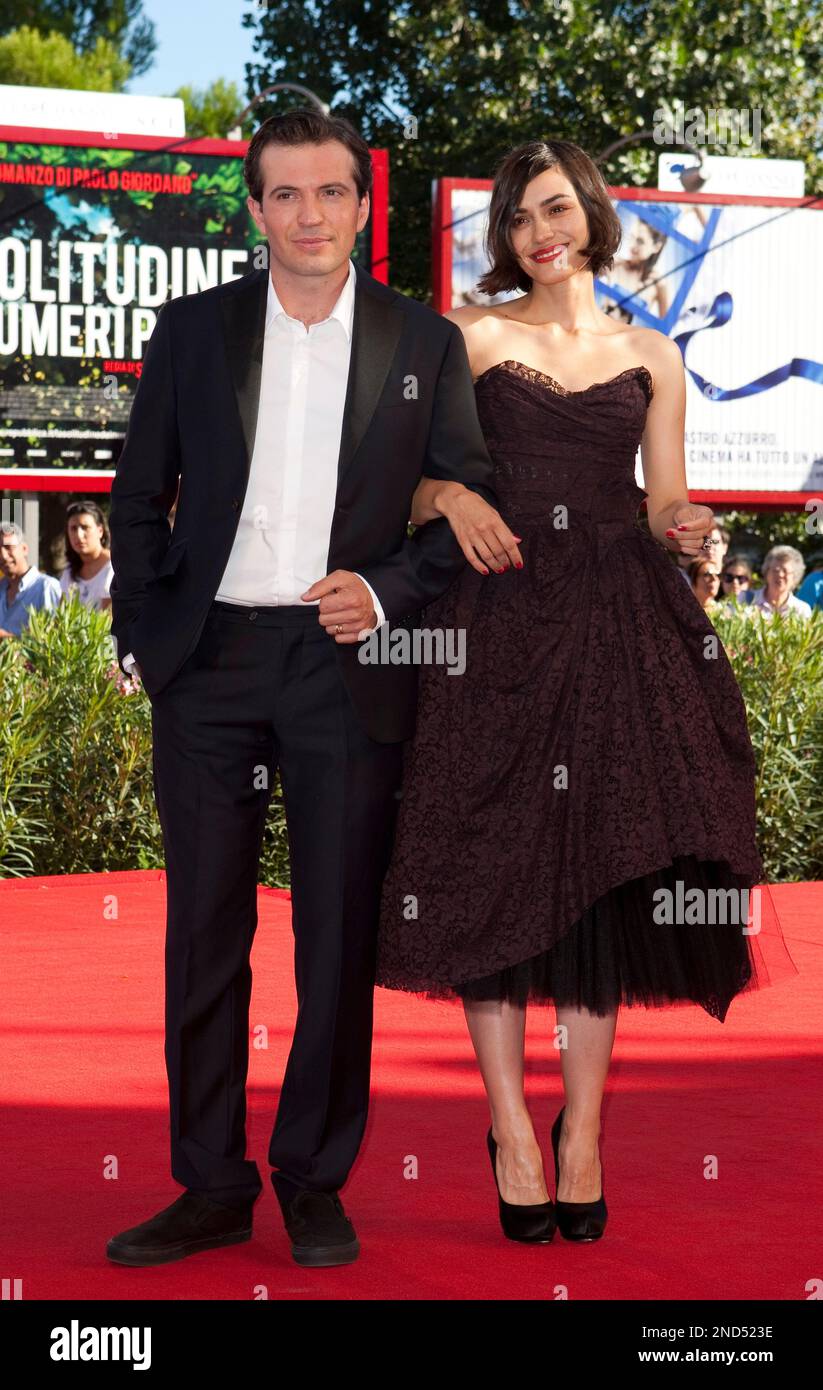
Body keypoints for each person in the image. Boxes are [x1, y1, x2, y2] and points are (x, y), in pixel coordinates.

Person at [375, 139, 796, 1246]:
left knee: (603, 872)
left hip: (616, 626)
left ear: (593, 216)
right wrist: (441, 498)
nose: (536, 232)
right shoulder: (469, 335)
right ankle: (512, 1128)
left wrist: (684, 524)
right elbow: (396, 472)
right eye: (517, 218)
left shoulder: (653, 353)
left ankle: (583, 1133)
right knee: (483, 867)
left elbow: (662, 497)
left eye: (553, 208)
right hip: (496, 622)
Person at [105, 108, 497, 1270]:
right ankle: (211, 1182)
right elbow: (137, 497)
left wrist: (381, 592)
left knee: (335, 932)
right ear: (256, 206)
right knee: (204, 933)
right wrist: (145, 634)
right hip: (209, 664)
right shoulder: (193, 332)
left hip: (346, 668)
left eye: (330, 192)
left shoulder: (424, 345)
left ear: (363, 206)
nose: (310, 215)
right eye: (285, 194)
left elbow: (467, 496)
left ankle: (313, 1177)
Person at [0, 522, 61, 639]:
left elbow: (53, 639)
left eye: (8, 547)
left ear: (24, 549)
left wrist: (6, 638)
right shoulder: (1, 588)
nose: (3, 555)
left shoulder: (47, 587)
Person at [58, 500, 114, 612]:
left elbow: (107, 622)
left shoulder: (113, 567)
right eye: (73, 528)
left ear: (100, 531)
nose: (79, 535)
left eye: (85, 527)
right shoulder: (69, 572)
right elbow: (61, 619)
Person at [750, 546, 812, 620]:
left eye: (785, 571)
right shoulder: (748, 600)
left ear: (794, 576)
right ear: (767, 572)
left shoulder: (801, 610)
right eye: (776, 570)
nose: (780, 575)